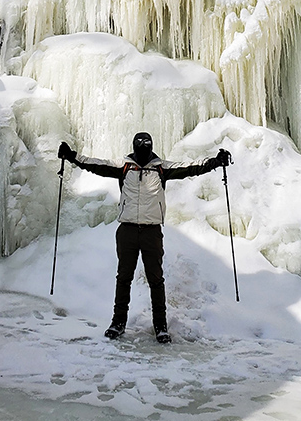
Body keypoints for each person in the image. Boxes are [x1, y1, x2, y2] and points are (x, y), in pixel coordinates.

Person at [57, 132, 232, 344]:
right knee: (124, 278)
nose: (143, 149)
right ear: (134, 147)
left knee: (155, 280)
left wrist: (215, 162)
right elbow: (96, 165)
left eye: (145, 146)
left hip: (151, 231)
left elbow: (191, 167)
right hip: (128, 230)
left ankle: (160, 326)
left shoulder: (160, 168)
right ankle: (118, 322)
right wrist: (72, 156)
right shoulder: (124, 166)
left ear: (151, 147)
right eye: (140, 146)